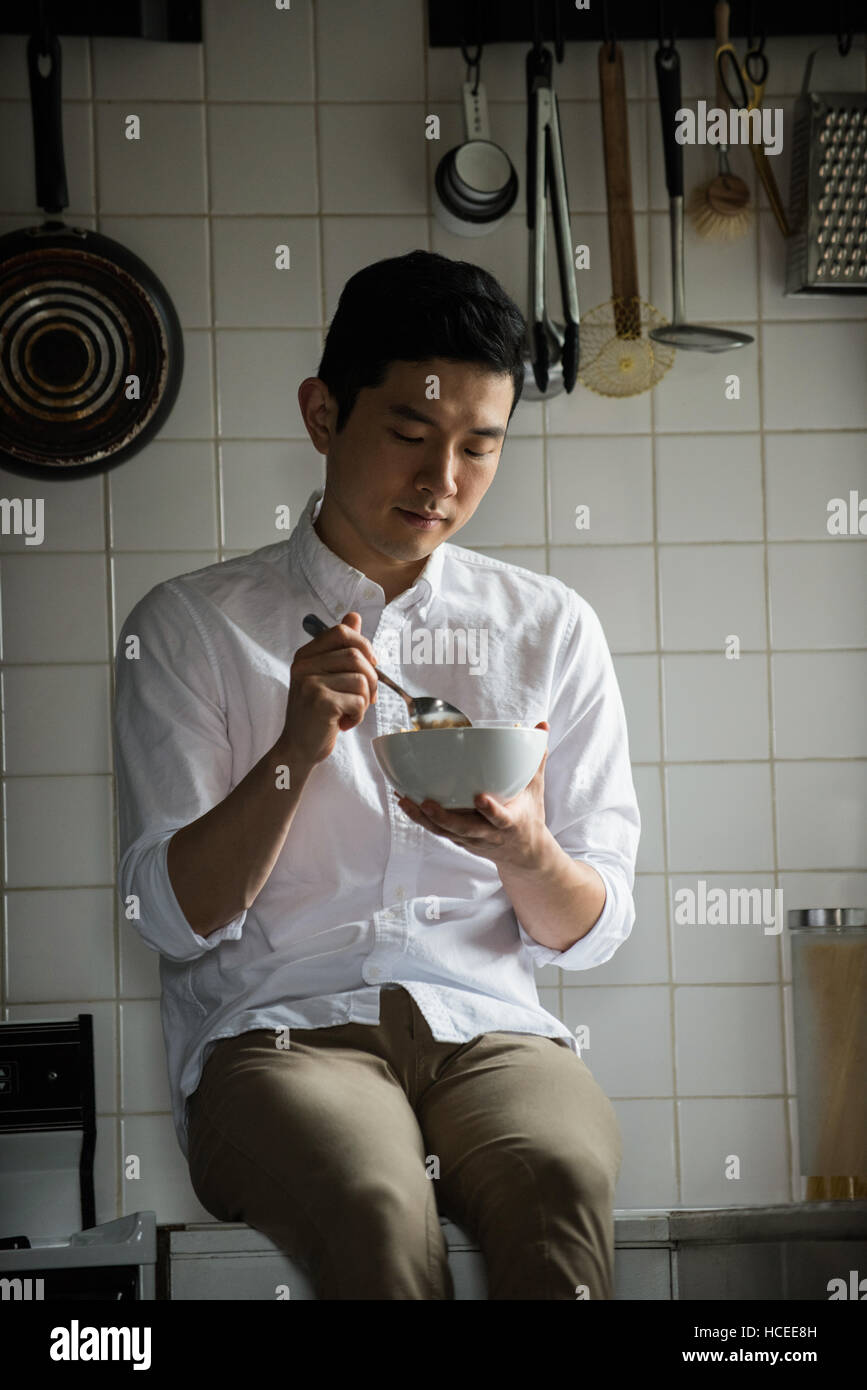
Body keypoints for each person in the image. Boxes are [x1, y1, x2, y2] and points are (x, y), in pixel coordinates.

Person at [113, 249, 641, 1300]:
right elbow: (170, 917)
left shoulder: (547, 627)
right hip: (280, 1036)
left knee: (561, 1173)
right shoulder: (192, 625)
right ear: (323, 415)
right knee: (376, 1201)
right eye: (408, 433)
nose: (442, 481)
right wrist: (294, 753)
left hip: (489, 1028)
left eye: (479, 447)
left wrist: (523, 846)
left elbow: (596, 921)